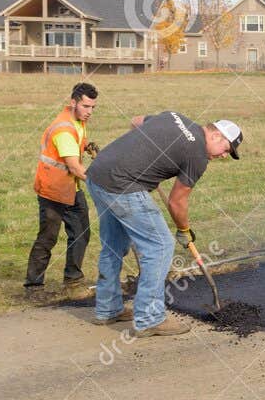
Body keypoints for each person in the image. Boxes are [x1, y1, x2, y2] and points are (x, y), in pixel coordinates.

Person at [87, 111, 243, 337]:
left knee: (114, 244)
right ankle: (149, 318)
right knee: (159, 246)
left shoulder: (175, 117)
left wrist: (141, 156)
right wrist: (183, 230)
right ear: (217, 135)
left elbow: (136, 120)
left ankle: (107, 308)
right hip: (122, 185)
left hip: (98, 175)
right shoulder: (197, 155)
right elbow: (177, 201)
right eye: (227, 149)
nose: (224, 155)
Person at [24, 82, 99, 300]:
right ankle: (33, 287)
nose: (89, 112)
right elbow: (74, 167)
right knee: (48, 238)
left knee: (81, 233)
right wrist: (100, 182)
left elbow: (77, 143)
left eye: (93, 107)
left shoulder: (77, 121)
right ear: (73, 102)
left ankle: (72, 281)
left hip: (70, 188)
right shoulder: (63, 129)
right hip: (53, 190)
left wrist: (86, 146)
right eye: (86, 106)